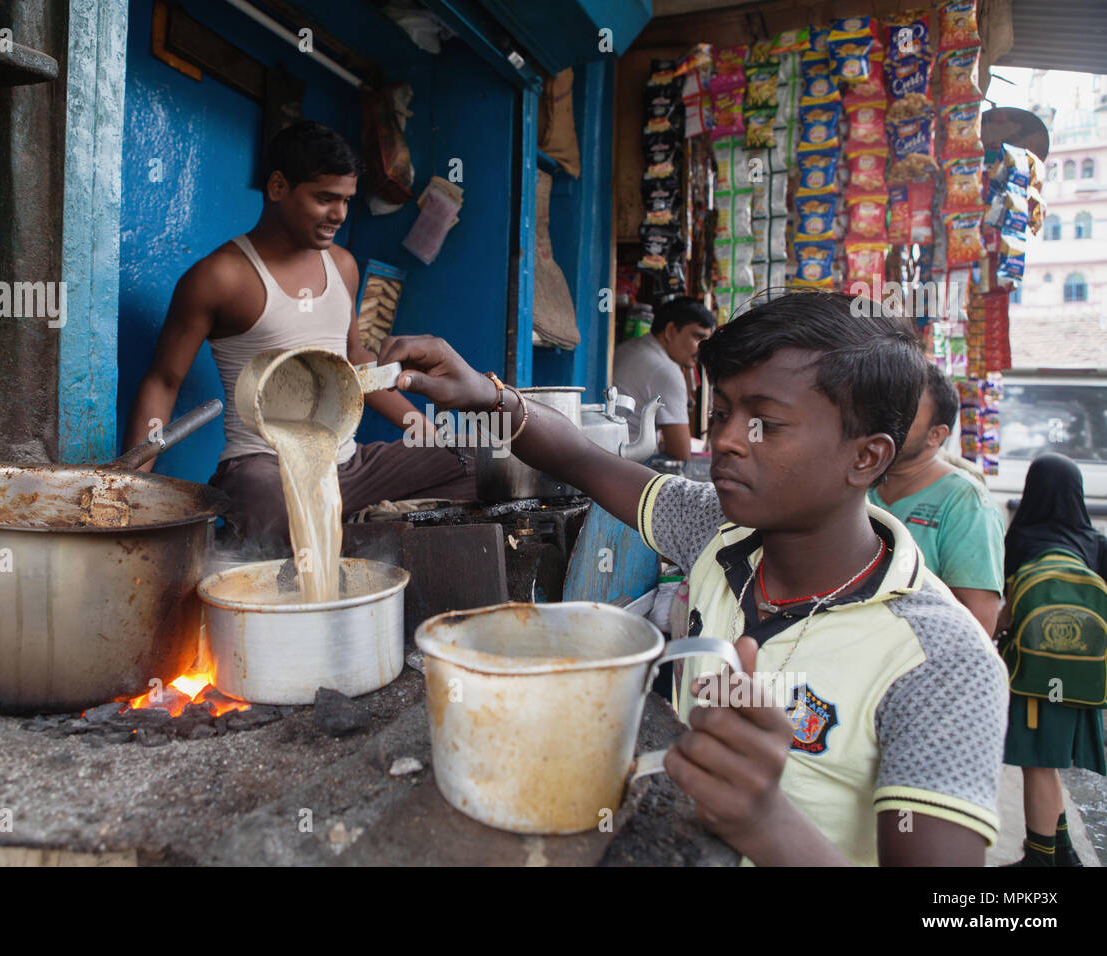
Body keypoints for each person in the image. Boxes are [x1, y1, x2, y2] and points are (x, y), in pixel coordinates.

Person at [379, 291, 1008, 866]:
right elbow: (579, 460)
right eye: (725, 411)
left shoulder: (944, 662)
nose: (728, 440)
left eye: (765, 422)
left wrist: (765, 825)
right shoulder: (718, 528)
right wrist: (490, 396)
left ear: (866, 456)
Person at [123, 121, 473, 551]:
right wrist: (132, 483)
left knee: (474, 458)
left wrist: (420, 426)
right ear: (277, 187)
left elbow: (353, 359)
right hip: (265, 466)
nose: (340, 215)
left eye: (346, 200)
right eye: (325, 198)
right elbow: (163, 381)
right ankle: (329, 545)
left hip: (350, 464)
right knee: (262, 499)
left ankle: (361, 530)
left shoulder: (342, 264)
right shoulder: (220, 277)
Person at [998, 453, 1107, 867]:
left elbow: (1006, 609)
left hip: (1035, 675)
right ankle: (1062, 852)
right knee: (1051, 760)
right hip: (1080, 678)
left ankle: (1039, 861)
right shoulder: (1093, 542)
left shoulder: (1022, 538)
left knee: (1038, 764)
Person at [869, 362, 1005, 634]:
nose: (887, 420)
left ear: (936, 435)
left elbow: (979, 621)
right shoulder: (857, 481)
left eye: (905, 413)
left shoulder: (965, 501)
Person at [612, 296, 715, 461]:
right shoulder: (667, 370)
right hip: (630, 463)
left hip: (609, 454)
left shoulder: (629, 348)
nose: (702, 348)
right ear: (671, 331)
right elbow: (681, 453)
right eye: (698, 337)